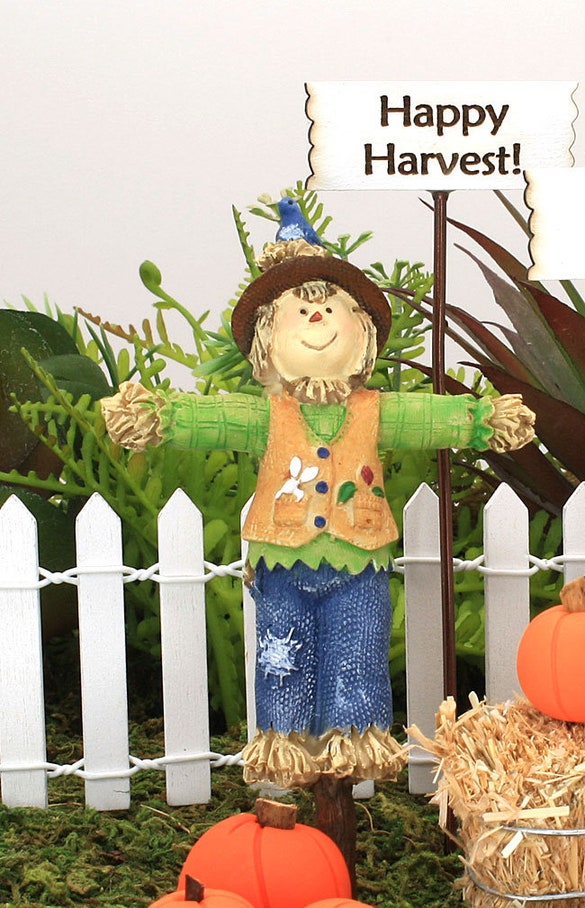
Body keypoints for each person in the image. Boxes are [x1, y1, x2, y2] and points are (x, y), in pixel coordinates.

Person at [101, 238, 535, 806]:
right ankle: (283, 743)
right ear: (266, 341)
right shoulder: (264, 415)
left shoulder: (377, 410)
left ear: (364, 336)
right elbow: (209, 418)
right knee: (281, 660)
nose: (315, 317)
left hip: (360, 564)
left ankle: (354, 740)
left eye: (331, 308)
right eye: (299, 311)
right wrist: (159, 417)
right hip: (280, 563)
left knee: (358, 652)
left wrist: (482, 420)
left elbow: (434, 417)